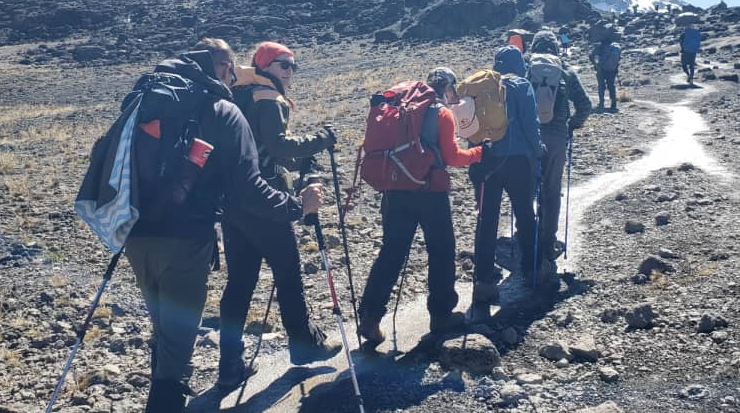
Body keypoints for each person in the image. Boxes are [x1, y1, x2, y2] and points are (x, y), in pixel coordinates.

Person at [119, 39, 323, 413]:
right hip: (184, 243)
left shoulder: (146, 99)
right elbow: (249, 186)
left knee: (165, 340)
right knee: (174, 363)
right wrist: (298, 208)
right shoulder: (223, 110)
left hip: (135, 237)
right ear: (227, 69)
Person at [219, 40, 340, 381]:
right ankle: (304, 343)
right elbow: (278, 146)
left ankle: (229, 364)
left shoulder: (238, 95)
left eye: (293, 66)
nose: (290, 72)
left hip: (233, 201)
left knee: (240, 282)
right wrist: (321, 141)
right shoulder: (268, 99)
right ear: (265, 66)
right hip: (266, 197)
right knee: (288, 272)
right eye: (283, 65)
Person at [358, 67, 483, 346]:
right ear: (448, 88)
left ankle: (370, 317)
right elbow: (451, 158)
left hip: (394, 190)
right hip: (430, 192)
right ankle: (441, 314)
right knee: (441, 251)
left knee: (391, 253)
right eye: (454, 91)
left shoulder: (403, 110)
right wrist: (479, 152)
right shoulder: (441, 113)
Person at [470, 46, 542, 302]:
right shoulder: (522, 86)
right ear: (519, 65)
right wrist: (538, 151)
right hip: (518, 161)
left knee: (486, 220)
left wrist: (476, 162)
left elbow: (472, 128)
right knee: (524, 213)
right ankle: (532, 270)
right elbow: (530, 124)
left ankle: (484, 281)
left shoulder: (481, 86)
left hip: (487, 162)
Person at [526, 29, 591, 281]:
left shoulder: (526, 68)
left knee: (527, 192)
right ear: (555, 47)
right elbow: (585, 105)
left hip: (530, 138)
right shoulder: (565, 70)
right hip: (556, 139)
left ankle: (525, 239)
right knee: (552, 192)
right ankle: (547, 244)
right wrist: (570, 126)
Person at [589, 38, 621, 111]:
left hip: (601, 69)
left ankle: (601, 103)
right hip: (612, 70)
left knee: (601, 86)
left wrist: (595, 65)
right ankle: (613, 104)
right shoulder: (616, 47)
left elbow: (591, 56)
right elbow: (618, 59)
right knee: (611, 86)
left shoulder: (600, 46)